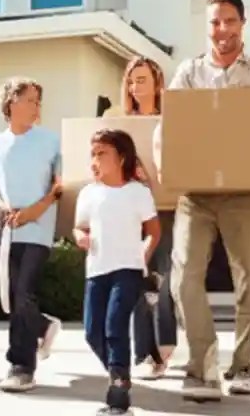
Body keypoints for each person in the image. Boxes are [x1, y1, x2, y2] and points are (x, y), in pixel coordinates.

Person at [166, 0, 250, 401]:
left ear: (243, 23)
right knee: (184, 276)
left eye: (229, 21)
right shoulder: (188, 73)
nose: (221, 29)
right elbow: (171, 123)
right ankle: (201, 364)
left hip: (246, 189)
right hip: (197, 191)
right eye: (214, 22)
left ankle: (243, 364)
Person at [0, 76, 64, 393]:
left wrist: (34, 211)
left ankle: (21, 366)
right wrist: (4, 206)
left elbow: (59, 185)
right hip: (6, 229)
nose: (37, 106)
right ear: (11, 103)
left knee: (24, 292)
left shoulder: (50, 141)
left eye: (38, 101)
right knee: (13, 296)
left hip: (37, 227)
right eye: (31, 100)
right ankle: (43, 325)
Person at [74, 128, 162, 415]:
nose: (95, 160)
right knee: (91, 332)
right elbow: (80, 226)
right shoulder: (88, 193)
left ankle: (119, 396)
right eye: (93, 154)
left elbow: (153, 232)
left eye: (102, 153)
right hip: (96, 270)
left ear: (121, 157)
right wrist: (80, 237)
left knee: (114, 326)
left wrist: (144, 254)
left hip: (128, 270)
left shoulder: (138, 193)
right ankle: (118, 372)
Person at [113, 57, 179, 380]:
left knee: (162, 280)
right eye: (131, 81)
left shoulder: (172, 120)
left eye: (142, 79)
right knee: (137, 281)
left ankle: (165, 345)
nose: (136, 86)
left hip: (166, 211)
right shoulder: (120, 126)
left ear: (156, 82)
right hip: (131, 214)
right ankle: (145, 354)